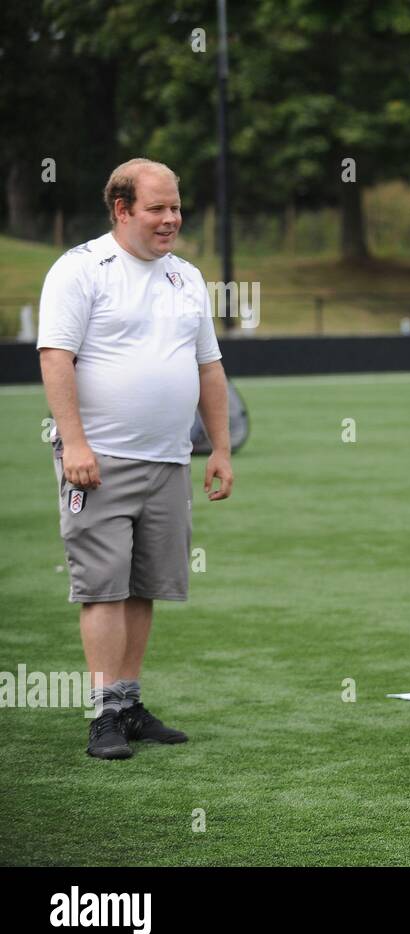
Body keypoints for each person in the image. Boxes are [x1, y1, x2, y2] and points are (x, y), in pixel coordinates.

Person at [37, 158, 233, 760]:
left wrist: (220, 446)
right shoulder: (80, 270)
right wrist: (74, 443)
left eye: (176, 207)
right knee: (102, 588)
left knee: (145, 586)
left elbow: (209, 367)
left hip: (168, 459)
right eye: (158, 208)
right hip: (98, 460)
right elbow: (55, 357)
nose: (171, 218)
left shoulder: (187, 278)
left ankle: (127, 702)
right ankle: (103, 718)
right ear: (122, 209)